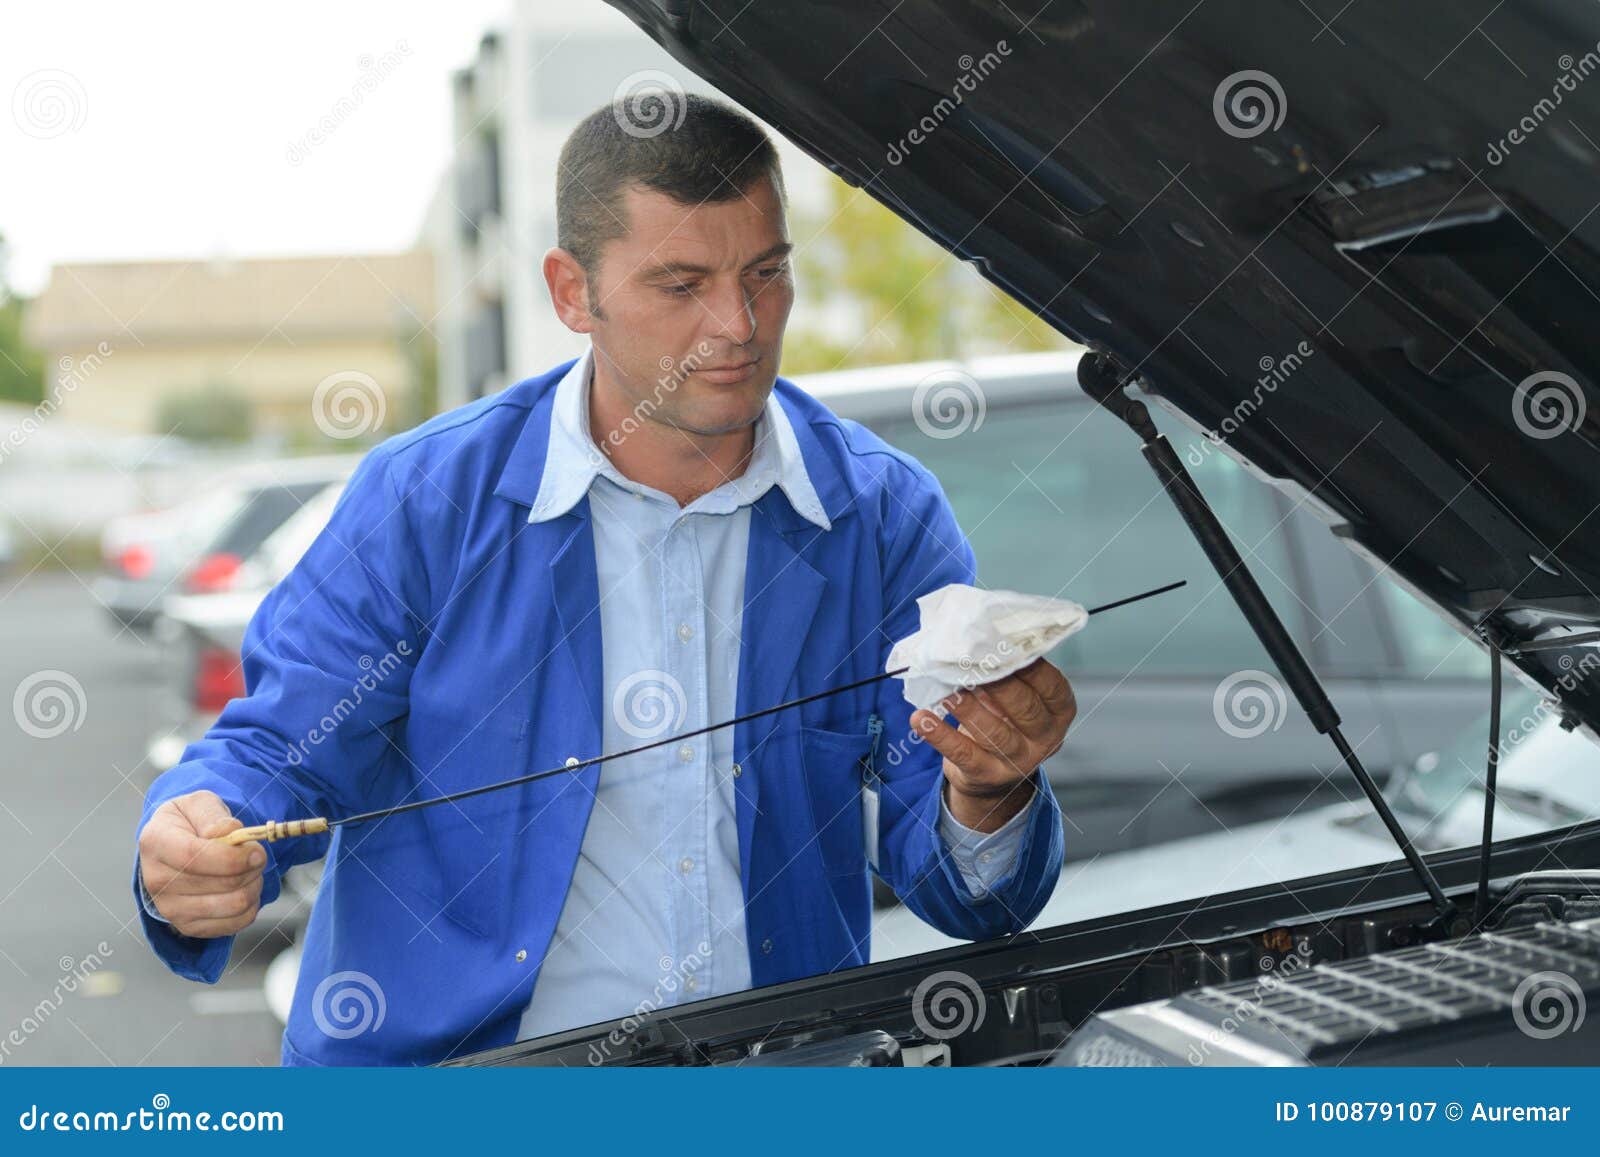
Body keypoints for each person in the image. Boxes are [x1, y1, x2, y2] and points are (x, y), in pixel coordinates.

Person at [135, 94, 1071, 1065]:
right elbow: (279, 750)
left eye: (766, 273)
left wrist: (989, 789)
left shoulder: (881, 517)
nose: (739, 324)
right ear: (571, 291)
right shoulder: (424, 499)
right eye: (681, 283)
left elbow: (970, 892)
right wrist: (200, 832)